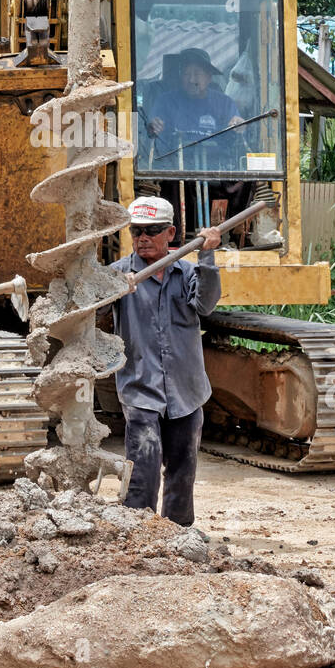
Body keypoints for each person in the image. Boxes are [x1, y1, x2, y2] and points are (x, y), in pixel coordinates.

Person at [110, 195, 222, 525]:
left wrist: (208, 255)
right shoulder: (117, 276)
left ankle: (178, 534)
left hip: (185, 390)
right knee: (143, 464)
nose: (143, 238)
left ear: (170, 233)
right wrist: (109, 291)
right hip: (140, 388)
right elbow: (92, 312)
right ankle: (138, 533)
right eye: (137, 231)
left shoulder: (188, 273)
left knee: (183, 468)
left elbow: (206, 305)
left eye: (153, 230)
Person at [147, 48, 243, 170]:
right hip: (172, 172)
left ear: (209, 77)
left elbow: (237, 132)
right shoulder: (165, 102)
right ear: (181, 77)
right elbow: (151, 132)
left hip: (217, 174)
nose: (192, 80)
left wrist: (239, 125)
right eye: (187, 74)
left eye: (197, 74)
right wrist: (153, 126)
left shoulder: (225, 103)